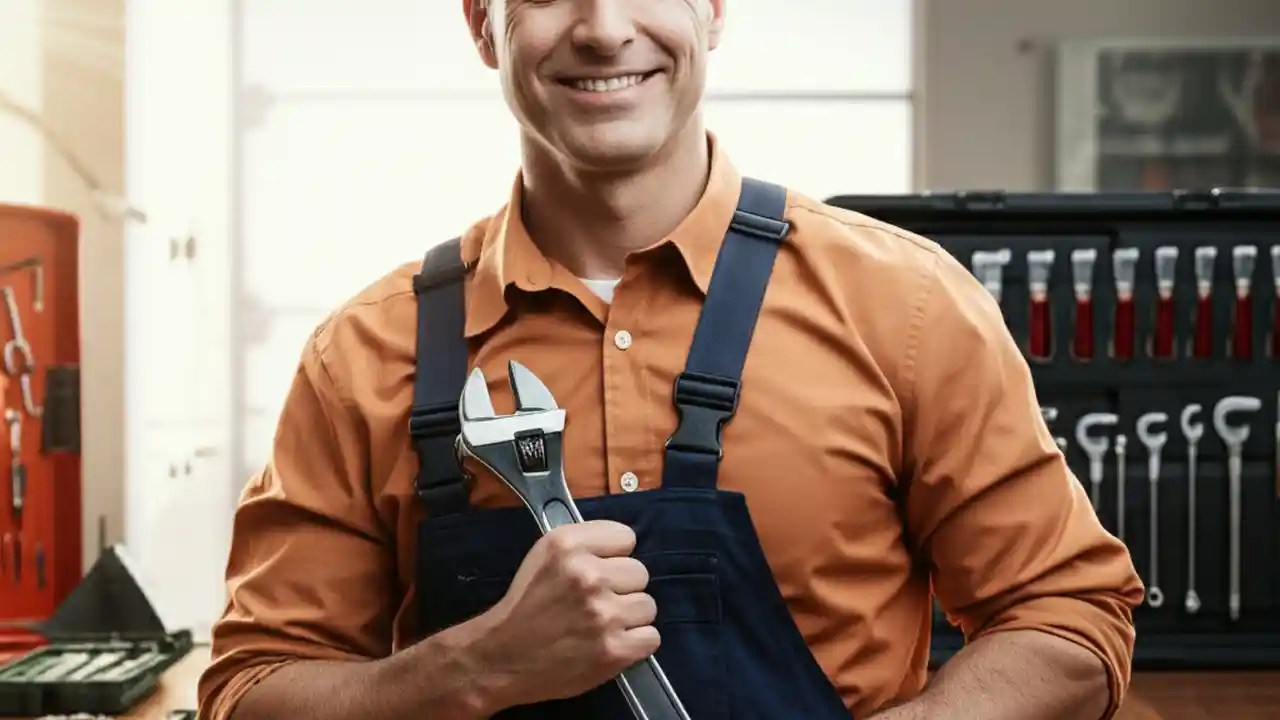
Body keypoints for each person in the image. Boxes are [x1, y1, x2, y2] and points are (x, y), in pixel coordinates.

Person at [197, 1, 1145, 718]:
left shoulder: (903, 305)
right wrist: (474, 665)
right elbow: (250, 688)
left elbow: (1068, 614)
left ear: (716, 8)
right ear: (484, 23)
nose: (604, 30)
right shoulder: (365, 356)